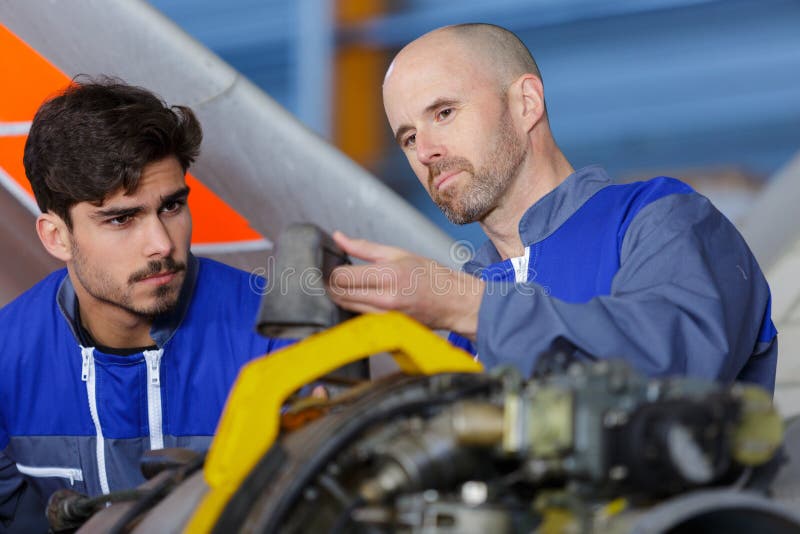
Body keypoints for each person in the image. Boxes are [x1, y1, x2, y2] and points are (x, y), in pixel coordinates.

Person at [328, 23, 777, 391]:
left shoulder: (662, 220)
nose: (424, 151)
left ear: (527, 103)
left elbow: (672, 366)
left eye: (444, 113)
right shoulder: (470, 300)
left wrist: (466, 306)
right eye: (407, 137)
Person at [0, 79, 291, 531]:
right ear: (56, 237)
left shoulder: (278, 334)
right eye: (122, 218)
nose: (161, 244)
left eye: (172, 207)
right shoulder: (6, 359)